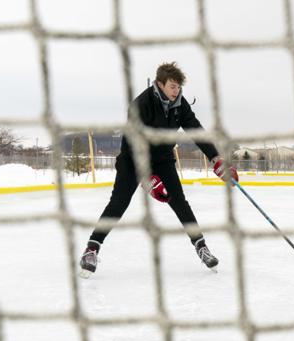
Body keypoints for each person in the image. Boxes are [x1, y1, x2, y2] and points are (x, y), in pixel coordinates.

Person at [79, 62, 238, 278]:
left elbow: (196, 130)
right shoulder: (141, 104)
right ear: (159, 84)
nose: (177, 91)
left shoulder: (180, 105)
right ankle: (92, 248)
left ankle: (201, 247)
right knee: (119, 203)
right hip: (132, 159)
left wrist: (216, 159)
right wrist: (147, 178)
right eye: (172, 86)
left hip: (162, 159)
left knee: (179, 201)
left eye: (179, 87)